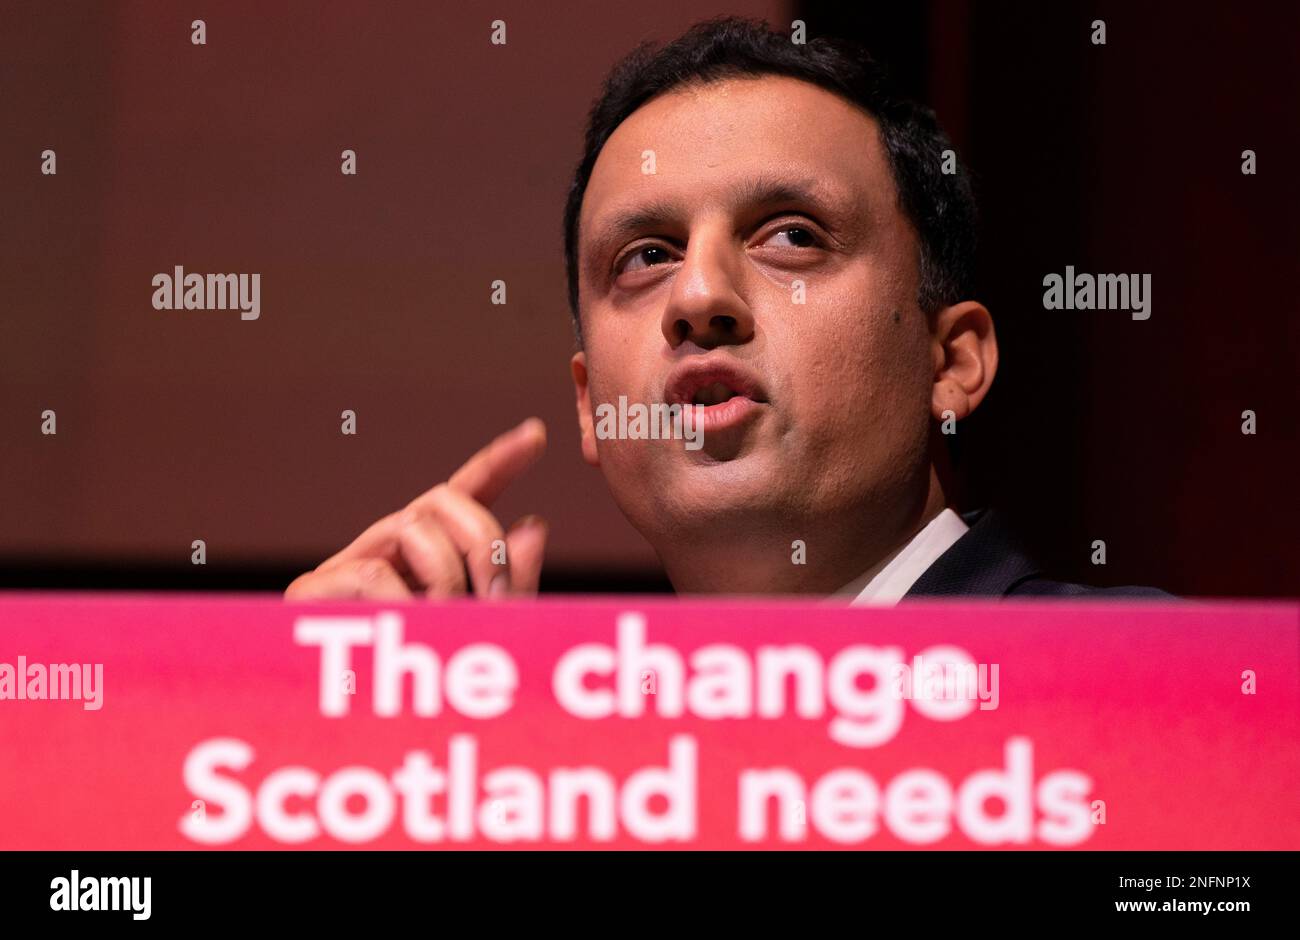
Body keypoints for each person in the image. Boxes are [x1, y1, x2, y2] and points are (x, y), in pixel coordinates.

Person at [286, 17, 1166, 603]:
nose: (698, 298)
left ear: (951, 362)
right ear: (594, 407)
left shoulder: (1153, 689)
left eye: (791, 237)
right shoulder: (544, 772)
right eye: (647, 257)